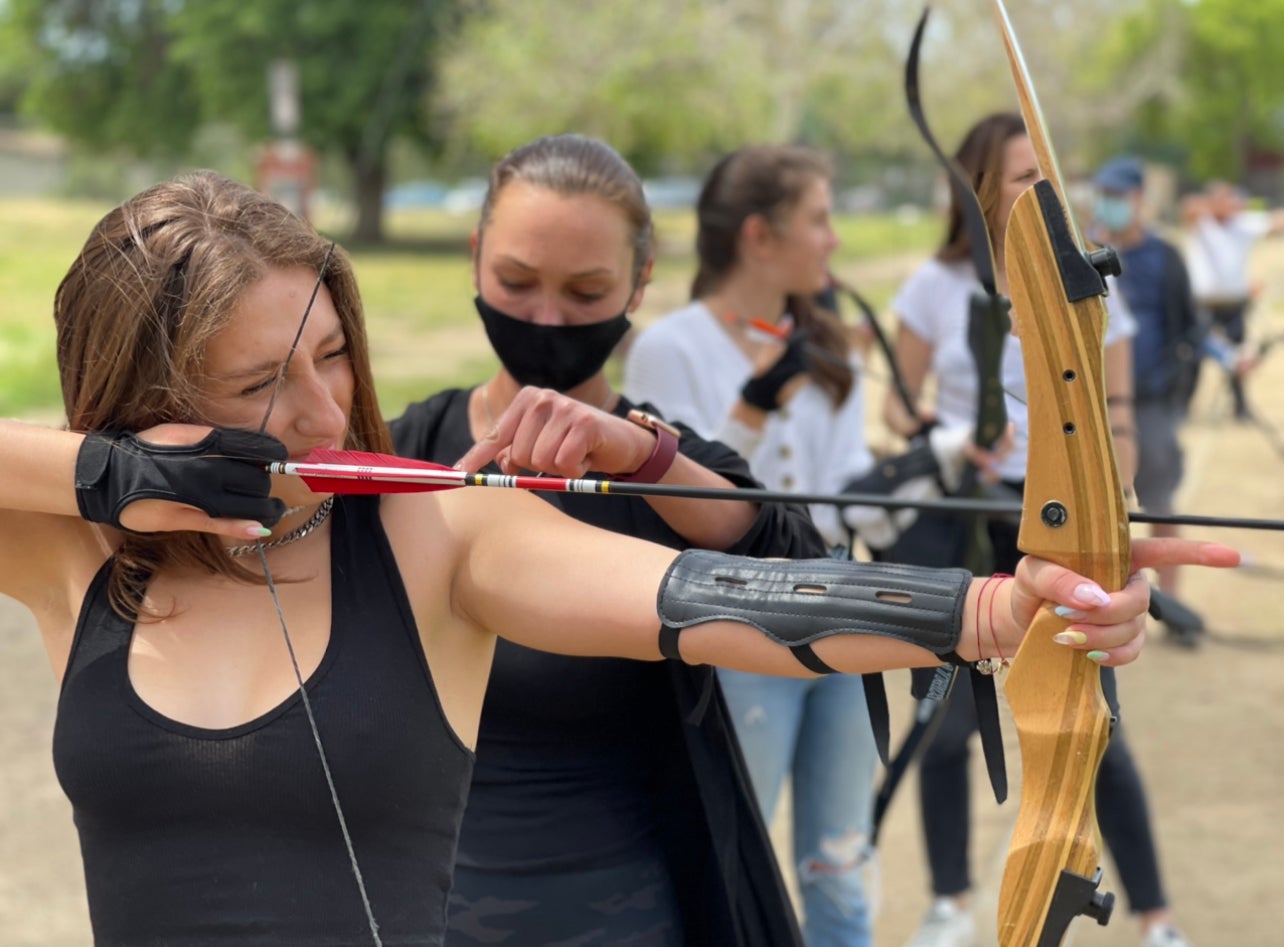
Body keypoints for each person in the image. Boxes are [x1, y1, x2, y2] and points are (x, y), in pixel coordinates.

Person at [0, 169, 1230, 946]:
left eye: (333, 355)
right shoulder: (82, 557)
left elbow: (704, 600)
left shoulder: (436, 529)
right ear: (149, 394)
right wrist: (109, 474)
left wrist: (990, 608)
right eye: (263, 383)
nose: (326, 412)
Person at [388, 133, 819, 947]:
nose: (547, 318)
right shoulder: (403, 451)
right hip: (419, 915)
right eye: (516, 281)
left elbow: (799, 574)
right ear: (475, 256)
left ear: (640, 280)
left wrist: (644, 455)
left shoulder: (671, 470)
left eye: (587, 291)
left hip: (629, 912)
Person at [884, 115, 1195, 947]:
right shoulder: (935, 285)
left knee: (1093, 728)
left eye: (1049, 175)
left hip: (1066, 529)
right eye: (1023, 178)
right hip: (966, 520)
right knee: (945, 725)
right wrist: (946, 435)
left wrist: (1109, 494)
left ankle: (1156, 916)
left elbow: (1116, 410)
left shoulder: (1088, 279)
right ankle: (950, 900)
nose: (1043, 192)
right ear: (982, 189)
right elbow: (897, 403)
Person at [624, 143, 934, 947]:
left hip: (841, 614)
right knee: (735, 845)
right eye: (820, 219)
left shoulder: (828, 345)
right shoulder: (673, 348)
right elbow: (682, 501)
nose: (834, 239)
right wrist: (755, 405)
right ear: (760, 235)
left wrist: (928, 465)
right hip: (736, 624)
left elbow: (850, 495)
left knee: (841, 859)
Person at [1090, 157, 1202, 617]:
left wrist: (1178, 390)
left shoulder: (1166, 257)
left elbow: (1188, 328)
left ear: (1139, 200)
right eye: (1105, 196)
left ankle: (1171, 602)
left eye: (1120, 197)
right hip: (1098, 400)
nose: (1111, 205)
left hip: (1151, 399)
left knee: (1158, 502)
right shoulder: (1087, 254)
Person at [1181, 180, 1284, 419]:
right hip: (1203, 305)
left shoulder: (1242, 224)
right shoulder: (1203, 221)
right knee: (1193, 359)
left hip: (1233, 305)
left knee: (1239, 358)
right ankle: (1183, 405)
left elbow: (1276, 222)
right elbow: (1188, 208)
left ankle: (1240, 407)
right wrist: (1218, 205)